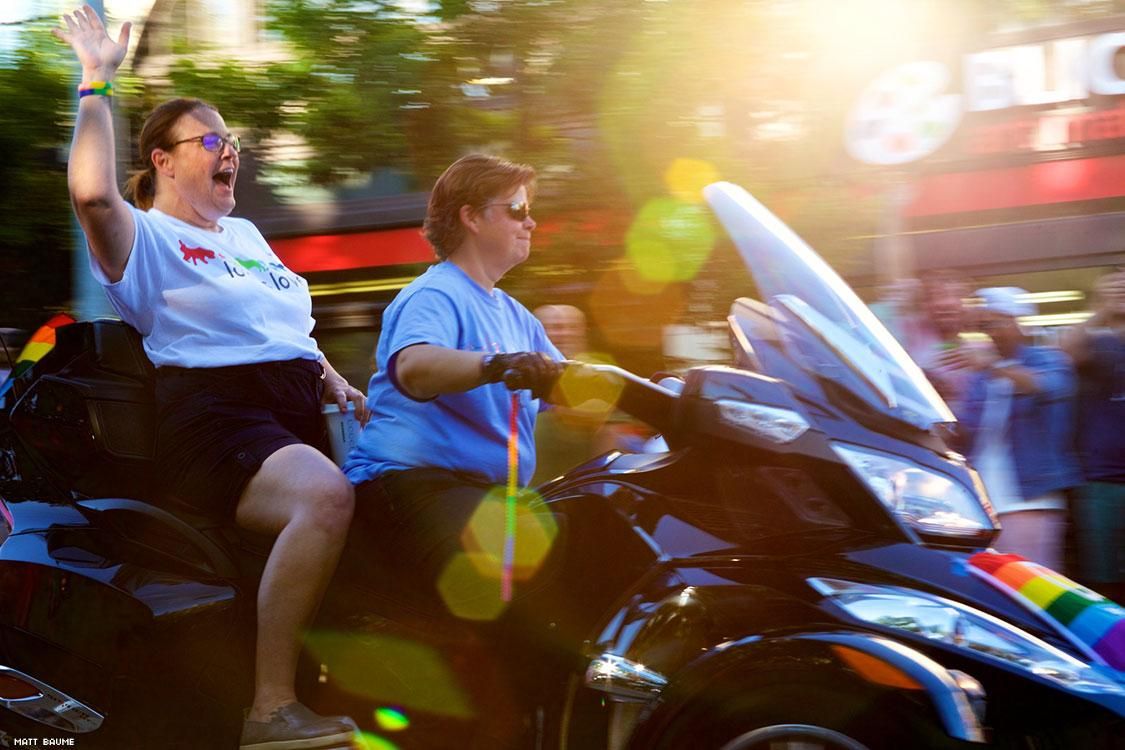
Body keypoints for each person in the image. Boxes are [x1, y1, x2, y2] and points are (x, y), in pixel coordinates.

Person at [54, 8, 366, 748]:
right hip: (215, 422)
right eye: (215, 140)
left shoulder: (247, 235)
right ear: (164, 160)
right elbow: (93, 194)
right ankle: (267, 710)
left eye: (236, 142)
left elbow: (279, 324)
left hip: (291, 417)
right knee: (324, 497)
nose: (233, 153)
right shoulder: (146, 236)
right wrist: (96, 80)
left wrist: (328, 375)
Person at [343, 154, 563, 612]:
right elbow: (415, 367)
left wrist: (666, 394)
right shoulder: (435, 293)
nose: (532, 222)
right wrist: (496, 364)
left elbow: (575, 389)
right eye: (518, 210)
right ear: (472, 218)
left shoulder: (517, 316)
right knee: (521, 580)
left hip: (485, 496)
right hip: (411, 485)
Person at [959, 287, 1081, 571]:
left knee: (1033, 586)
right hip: (985, 502)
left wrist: (991, 367)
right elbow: (970, 432)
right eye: (985, 325)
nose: (989, 332)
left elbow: (1047, 387)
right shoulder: (982, 375)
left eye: (995, 323)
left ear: (1019, 323)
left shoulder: (1048, 359)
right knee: (997, 589)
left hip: (1030, 497)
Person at [1062, 270, 1125, 603]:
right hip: (1099, 479)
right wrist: (1103, 308)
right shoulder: (1092, 340)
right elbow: (1066, 352)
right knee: (1101, 579)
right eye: (1115, 286)